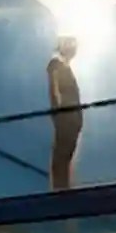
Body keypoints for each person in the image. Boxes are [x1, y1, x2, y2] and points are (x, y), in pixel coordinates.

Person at [47, 36, 82, 191]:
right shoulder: (56, 65)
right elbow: (55, 91)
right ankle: (61, 189)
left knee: (65, 156)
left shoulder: (65, 68)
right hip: (66, 117)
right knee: (61, 158)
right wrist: (59, 112)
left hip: (72, 117)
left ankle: (64, 188)